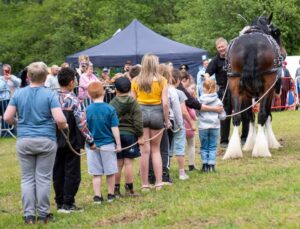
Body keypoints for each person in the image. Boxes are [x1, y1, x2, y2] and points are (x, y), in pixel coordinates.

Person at [3, 62, 67, 224]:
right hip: (46, 139)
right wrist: (64, 126)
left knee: (27, 179)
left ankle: (29, 215)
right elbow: (60, 119)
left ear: (27, 76)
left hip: (24, 140)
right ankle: (44, 214)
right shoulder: (49, 95)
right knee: (43, 178)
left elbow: (7, 117)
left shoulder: (18, 93)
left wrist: (19, 124)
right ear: (46, 77)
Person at [53, 67, 96, 213]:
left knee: (57, 171)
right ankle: (68, 203)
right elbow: (82, 123)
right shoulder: (74, 100)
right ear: (72, 82)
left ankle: (59, 202)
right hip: (71, 141)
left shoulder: (51, 98)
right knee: (72, 173)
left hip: (54, 141)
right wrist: (90, 140)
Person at [131, 54, 170, 191]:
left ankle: (145, 184)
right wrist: (167, 121)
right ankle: (159, 183)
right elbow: (165, 104)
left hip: (141, 114)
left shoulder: (135, 80)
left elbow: (133, 103)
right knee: (156, 150)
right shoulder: (162, 80)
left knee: (144, 151)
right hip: (156, 114)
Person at [205, 37, 248, 146]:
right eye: (219, 47)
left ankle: (245, 137)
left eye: (222, 46)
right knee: (224, 115)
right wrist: (207, 79)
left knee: (243, 112)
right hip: (224, 90)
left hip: (239, 89)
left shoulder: (236, 57)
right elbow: (207, 72)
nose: (221, 49)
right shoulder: (215, 60)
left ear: (227, 45)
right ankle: (224, 140)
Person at [85, 81, 121, 204]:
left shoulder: (87, 110)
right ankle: (111, 195)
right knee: (110, 172)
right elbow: (114, 128)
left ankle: (97, 197)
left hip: (92, 145)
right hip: (108, 144)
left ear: (89, 95)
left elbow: (85, 129)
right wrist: (119, 144)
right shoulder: (110, 109)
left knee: (96, 173)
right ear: (104, 92)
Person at [110, 77, 144, 197]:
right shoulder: (134, 102)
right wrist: (140, 135)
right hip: (130, 136)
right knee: (129, 163)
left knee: (118, 164)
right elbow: (138, 121)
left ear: (116, 90)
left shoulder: (112, 103)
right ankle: (129, 190)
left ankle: (116, 190)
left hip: (116, 136)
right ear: (130, 89)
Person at [198, 79, 226, 172]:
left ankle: (204, 165)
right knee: (212, 146)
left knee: (204, 146)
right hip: (215, 127)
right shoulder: (218, 101)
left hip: (203, 127)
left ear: (205, 88)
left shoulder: (200, 100)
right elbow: (222, 116)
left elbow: (197, 112)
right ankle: (211, 165)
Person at [0, 64, 21, 136]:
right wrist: (5, 80)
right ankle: (5, 133)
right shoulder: (1, 78)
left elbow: (19, 83)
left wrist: (10, 78)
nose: (6, 71)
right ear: (2, 71)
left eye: (7, 70)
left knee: (14, 116)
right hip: (4, 100)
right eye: (4, 70)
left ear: (10, 70)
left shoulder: (13, 77)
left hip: (14, 100)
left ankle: (14, 131)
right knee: (6, 116)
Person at [185, 82, 198, 171]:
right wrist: (196, 118)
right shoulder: (189, 103)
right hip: (189, 127)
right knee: (191, 146)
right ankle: (191, 164)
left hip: (181, 126)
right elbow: (193, 115)